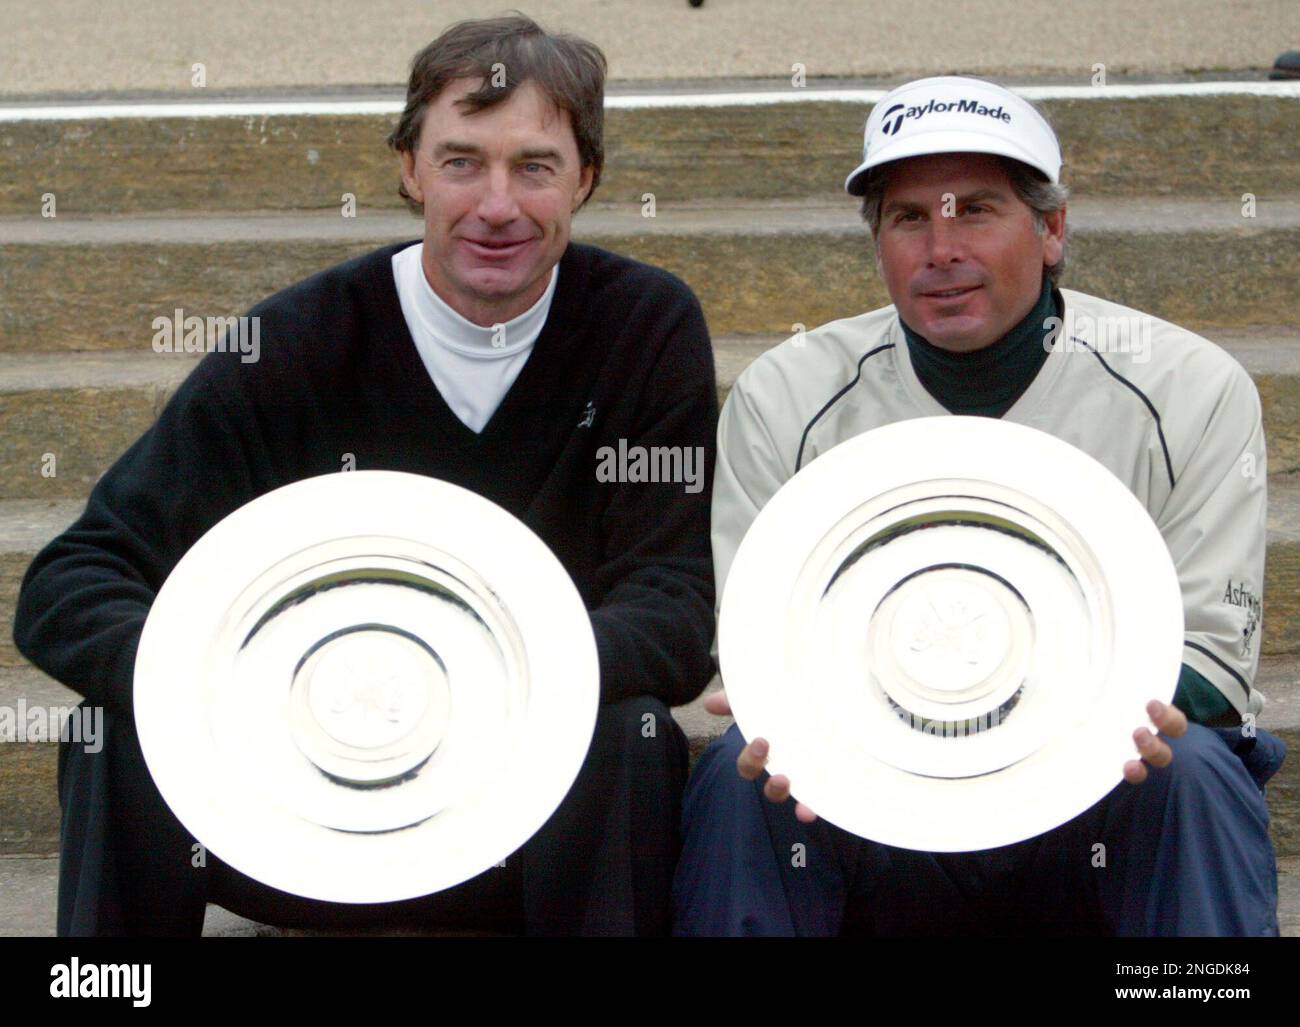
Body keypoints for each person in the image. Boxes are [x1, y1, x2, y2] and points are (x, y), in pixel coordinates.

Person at [13, 15, 718, 937]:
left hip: (518, 816)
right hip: (299, 810)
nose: (497, 204)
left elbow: (671, 606)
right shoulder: (299, 343)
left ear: (585, 177)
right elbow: (72, 581)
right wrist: (254, 681)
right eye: (462, 161)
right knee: (113, 732)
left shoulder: (643, 326)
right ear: (408, 168)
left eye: (535, 166)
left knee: (632, 733)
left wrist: (466, 681)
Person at [673, 76, 1284, 937]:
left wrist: (1015, 720)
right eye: (909, 217)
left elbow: (1211, 669)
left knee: (1189, 763)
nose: (941, 249)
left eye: (979, 211)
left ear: (1053, 229)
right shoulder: (788, 394)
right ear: (878, 243)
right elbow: (770, 651)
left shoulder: (1186, 387)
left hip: (1099, 803)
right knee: (748, 769)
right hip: (872, 805)